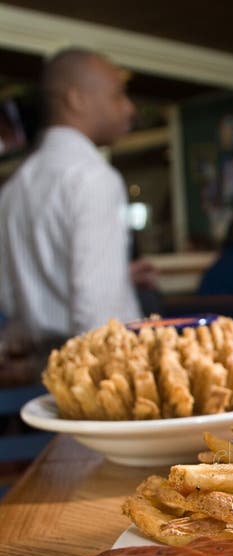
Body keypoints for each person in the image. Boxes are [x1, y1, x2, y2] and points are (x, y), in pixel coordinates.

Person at [0, 47, 153, 354]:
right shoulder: (94, 179)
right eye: (117, 95)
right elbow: (98, 318)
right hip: (97, 374)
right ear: (76, 99)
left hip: (38, 370)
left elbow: (10, 296)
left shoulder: (15, 186)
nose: (129, 109)